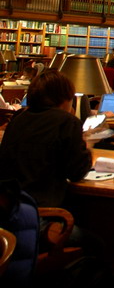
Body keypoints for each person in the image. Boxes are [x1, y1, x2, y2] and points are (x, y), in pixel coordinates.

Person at [0, 70, 99, 255]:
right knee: (98, 243)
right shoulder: (66, 121)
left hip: (8, 213)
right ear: (65, 98)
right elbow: (77, 172)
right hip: (40, 218)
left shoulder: (18, 118)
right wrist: (87, 145)